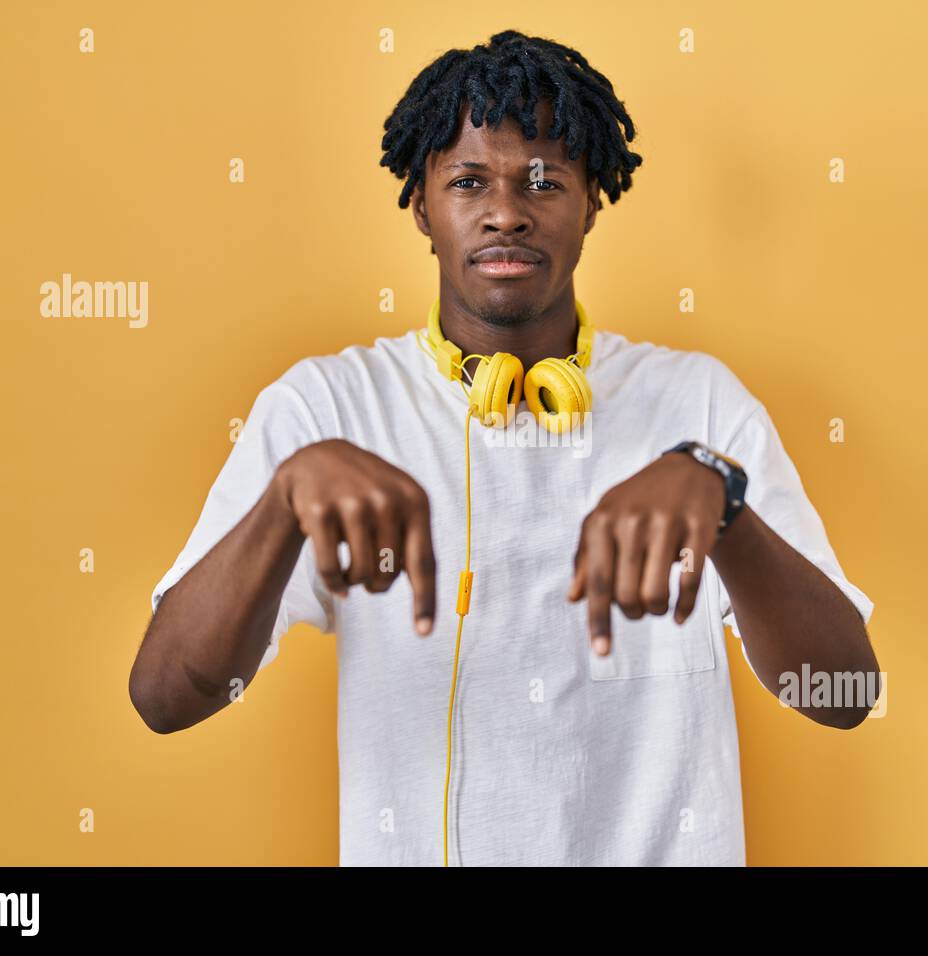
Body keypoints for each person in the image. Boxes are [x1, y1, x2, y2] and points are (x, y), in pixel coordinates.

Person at [129, 29, 881, 866]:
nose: (506, 212)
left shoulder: (698, 404)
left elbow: (846, 694)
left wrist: (724, 503)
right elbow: (164, 696)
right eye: (467, 181)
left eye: (545, 182)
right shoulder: (327, 408)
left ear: (593, 201)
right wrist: (282, 502)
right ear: (421, 205)